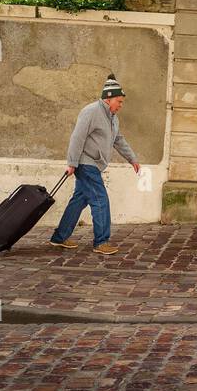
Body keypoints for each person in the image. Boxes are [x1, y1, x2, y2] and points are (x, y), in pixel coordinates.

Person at [49, 72, 141, 255]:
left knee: (79, 200)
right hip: (86, 164)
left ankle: (59, 237)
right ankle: (101, 242)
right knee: (100, 200)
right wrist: (72, 163)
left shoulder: (113, 118)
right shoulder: (91, 111)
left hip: (94, 165)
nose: (121, 106)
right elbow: (77, 137)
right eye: (119, 102)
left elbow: (118, 140)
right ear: (109, 99)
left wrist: (133, 159)